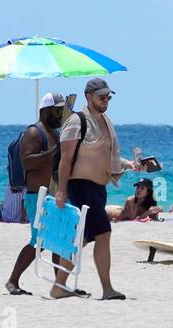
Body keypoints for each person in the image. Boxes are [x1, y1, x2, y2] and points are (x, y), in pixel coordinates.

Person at [54, 78, 140, 300]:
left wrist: (129, 164)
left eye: (108, 97)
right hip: (80, 186)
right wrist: (61, 191)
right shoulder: (76, 121)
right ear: (89, 97)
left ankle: (59, 285)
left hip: (98, 188)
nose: (106, 101)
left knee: (83, 238)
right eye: (102, 97)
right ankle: (107, 289)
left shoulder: (105, 121)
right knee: (104, 233)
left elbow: (106, 156)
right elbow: (65, 159)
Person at [4, 91, 67, 296]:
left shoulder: (55, 134)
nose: (61, 115)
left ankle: (60, 284)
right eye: (58, 111)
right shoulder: (34, 132)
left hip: (49, 194)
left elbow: (56, 168)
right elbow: (28, 161)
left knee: (57, 240)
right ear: (46, 110)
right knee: (38, 240)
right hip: (34, 196)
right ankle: (13, 281)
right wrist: (52, 152)